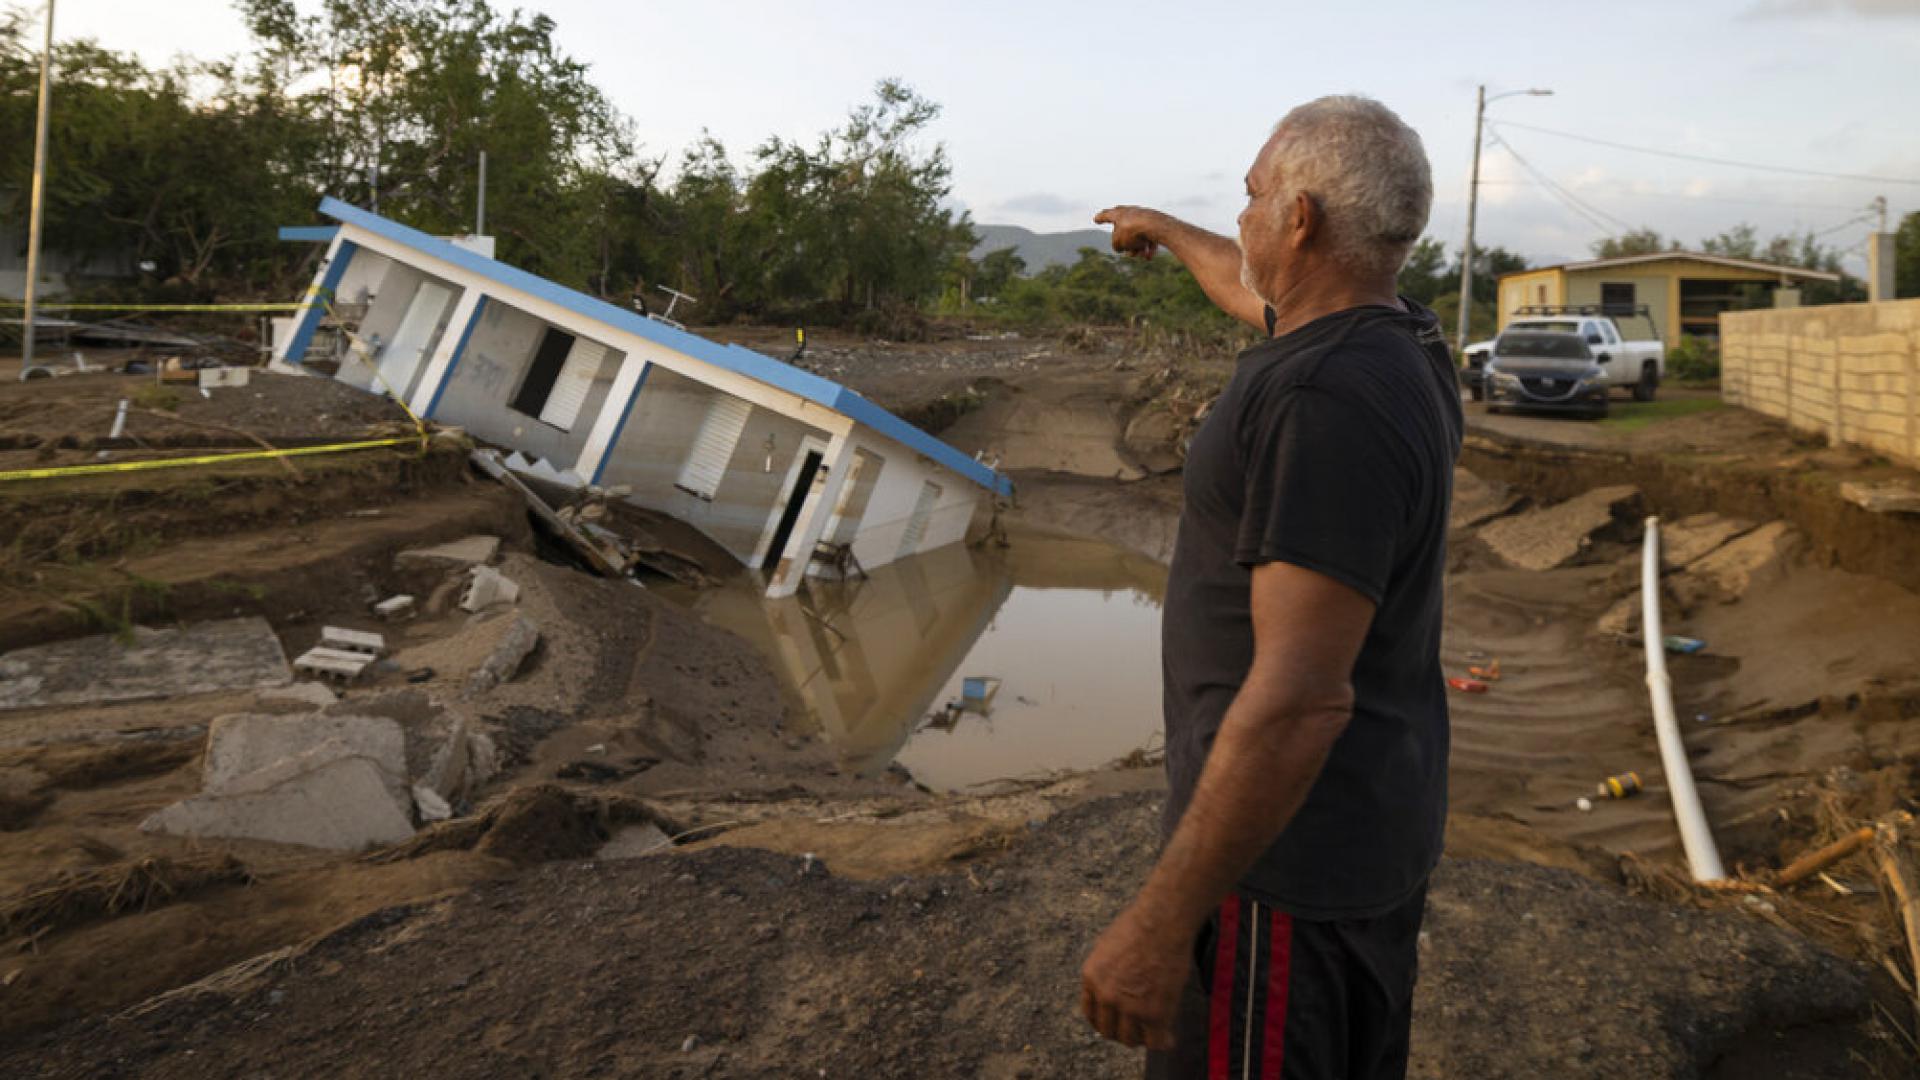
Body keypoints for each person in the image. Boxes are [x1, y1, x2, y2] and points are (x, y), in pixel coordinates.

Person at [1079, 95, 1462, 1080]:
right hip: (1364, 833)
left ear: (1300, 220)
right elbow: (1246, 285)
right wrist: (1166, 230)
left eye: (1251, 197)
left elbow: (1298, 700)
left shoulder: (1320, 397)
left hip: (1280, 879)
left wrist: (1161, 923)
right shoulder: (1399, 340)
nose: (1240, 216)